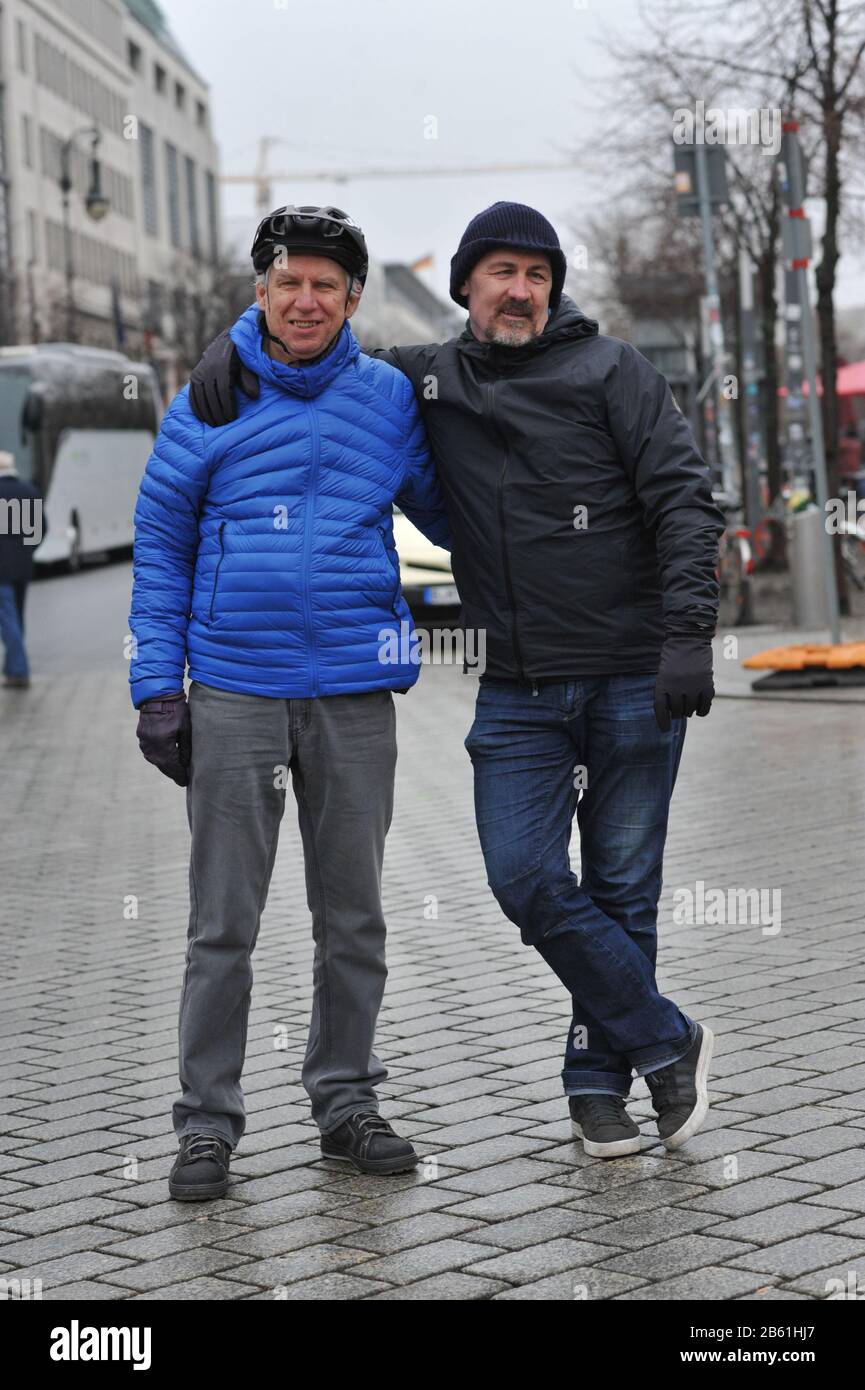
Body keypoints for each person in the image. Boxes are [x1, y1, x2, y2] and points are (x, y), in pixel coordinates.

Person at [189, 201, 727, 1161]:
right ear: (467, 287)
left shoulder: (615, 372)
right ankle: (666, 1035)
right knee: (524, 877)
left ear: (553, 289)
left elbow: (684, 498)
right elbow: (318, 348)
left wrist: (688, 634)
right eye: (501, 273)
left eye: (537, 275)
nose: (520, 291)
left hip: (628, 675)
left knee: (621, 889)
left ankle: (598, 1084)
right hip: (518, 687)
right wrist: (229, 349)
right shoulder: (426, 380)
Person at [128, 206, 452, 1198]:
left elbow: (453, 508)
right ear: (259, 293)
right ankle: (206, 1122)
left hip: (355, 692)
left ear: (352, 299)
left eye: (324, 284)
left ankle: (346, 1099)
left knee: (352, 919)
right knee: (221, 923)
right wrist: (156, 688)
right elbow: (162, 547)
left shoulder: (390, 399)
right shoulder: (206, 401)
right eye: (285, 282)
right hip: (232, 690)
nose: (303, 300)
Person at [0, 450, 46, 689]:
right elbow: (40, 530)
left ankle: (19, 670)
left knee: (7, 620)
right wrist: (28, 550)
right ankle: (11, 668)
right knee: (16, 617)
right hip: (23, 566)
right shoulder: (29, 491)